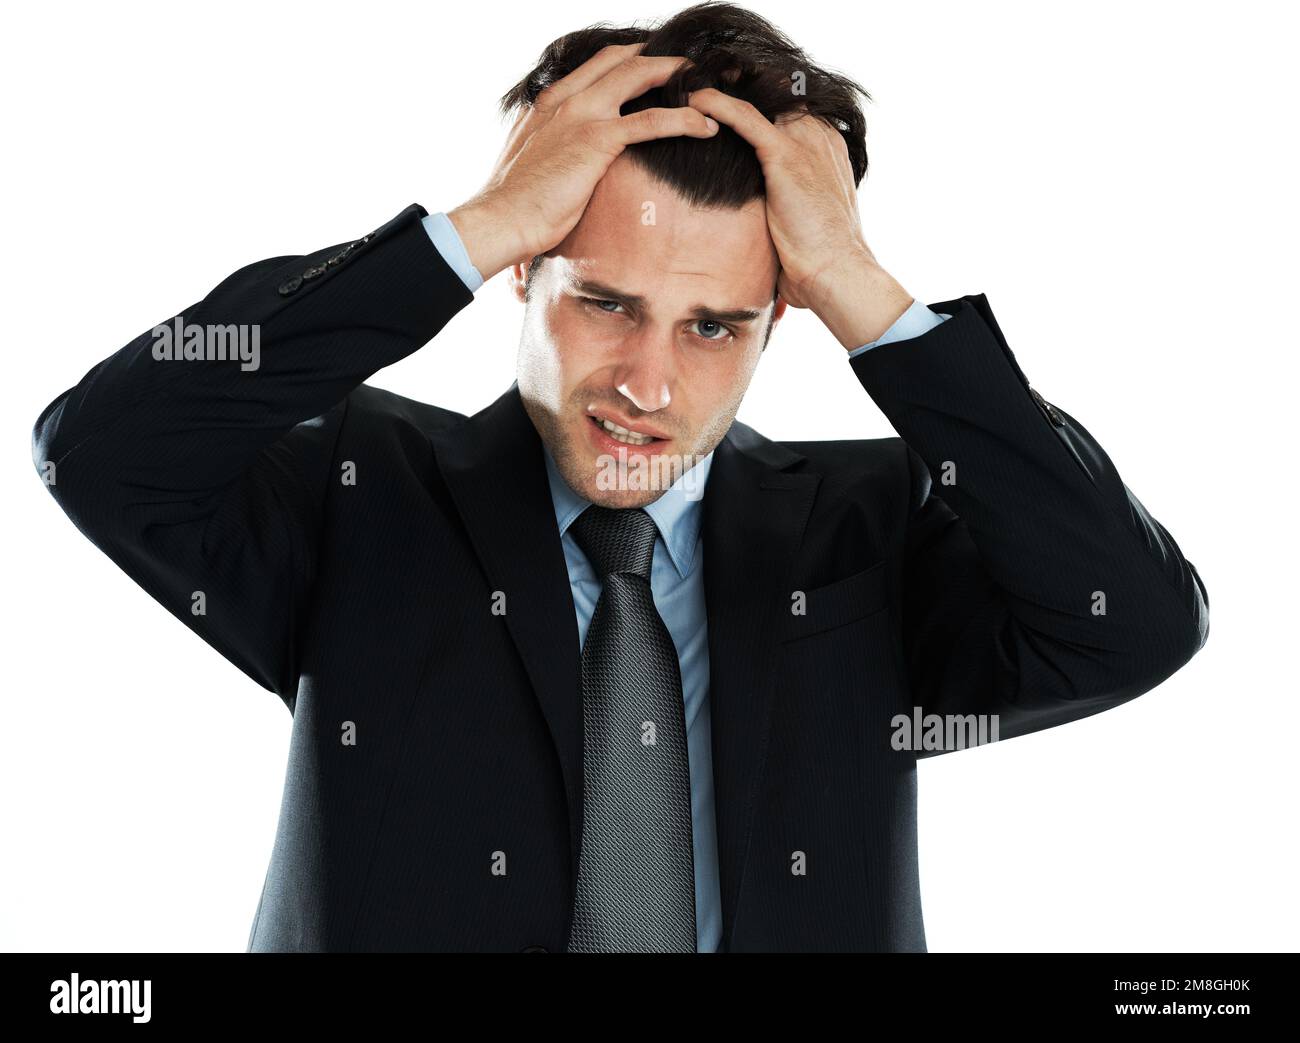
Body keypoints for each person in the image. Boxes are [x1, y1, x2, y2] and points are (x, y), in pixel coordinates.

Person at [30, 2, 1208, 952]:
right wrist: (470, 225)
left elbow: (1135, 622)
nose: (647, 384)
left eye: (713, 327)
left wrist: (858, 285)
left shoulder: (869, 532)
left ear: (779, 319)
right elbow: (106, 450)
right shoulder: (357, 491)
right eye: (605, 302)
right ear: (523, 272)